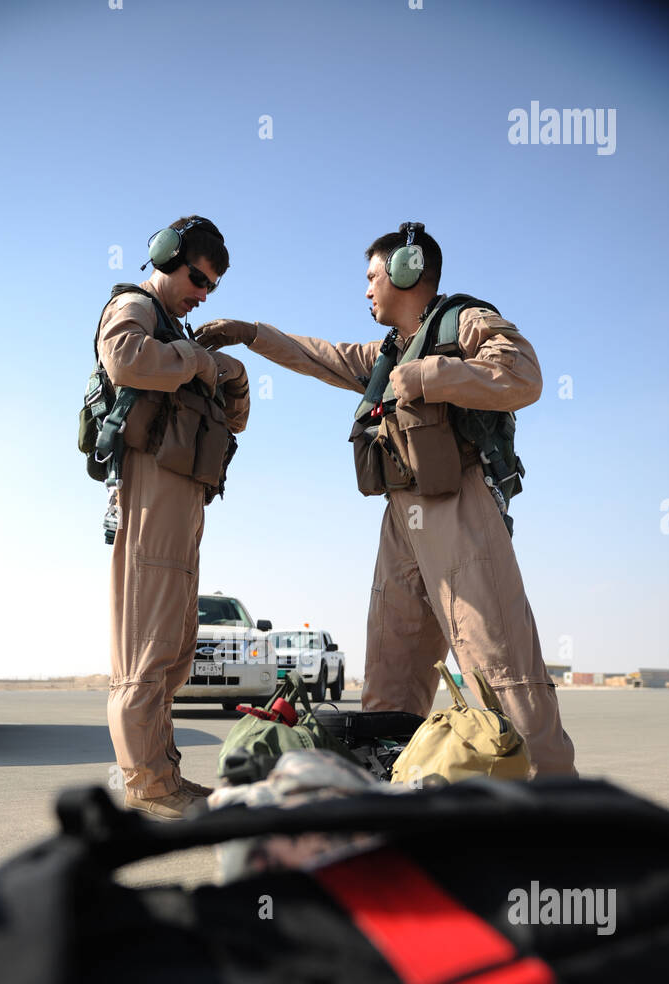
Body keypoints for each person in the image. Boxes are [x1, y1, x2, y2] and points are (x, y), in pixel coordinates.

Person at [194, 224, 575, 777]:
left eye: (373, 277)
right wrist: (251, 333)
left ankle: (550, 797)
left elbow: (522, 374)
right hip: (402, 516)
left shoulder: (462, 322)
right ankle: (394, 785)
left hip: (458, 506)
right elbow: (317, 355)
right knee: (392, 665)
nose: (368, 290)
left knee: (498, 659)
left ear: (407, 270)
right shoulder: (384, 355)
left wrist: (428, 375)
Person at [96, 216, 250, 817]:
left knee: (174, 646)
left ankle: (164, 776)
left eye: (211, 286)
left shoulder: (180, 337)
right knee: (145, 649)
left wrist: (228, 371)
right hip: (150, 490)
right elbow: (125, 362)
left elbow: (234, 417)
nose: (203, 293)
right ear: (165, 257)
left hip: (184, 497)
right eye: (196, 277)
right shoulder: (133, 309)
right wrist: (196, 359)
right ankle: (147, 785)